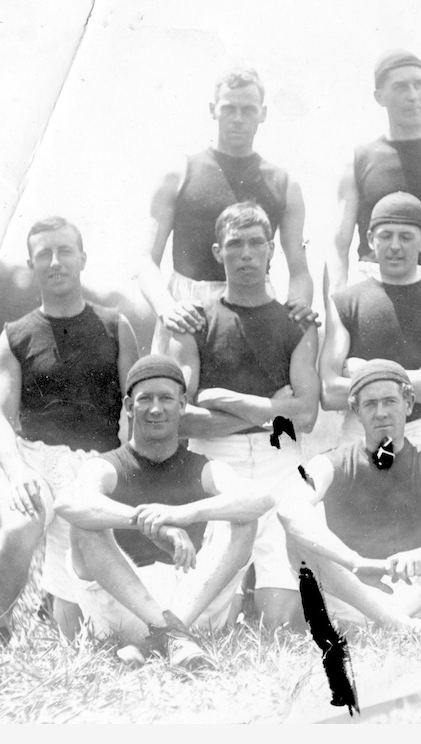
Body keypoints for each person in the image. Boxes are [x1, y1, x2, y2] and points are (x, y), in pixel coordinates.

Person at [55, 355, 272, 667]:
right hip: (126, 608)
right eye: (145, 399)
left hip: (192, 604)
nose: (156, 408)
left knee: (242, 518)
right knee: (85, 524)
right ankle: (171, 637)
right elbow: (68, 502)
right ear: (129, 406)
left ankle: (163, 638)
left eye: (166, 398)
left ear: (182, 404)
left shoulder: (203, 467)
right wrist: (148, 522)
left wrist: (185, 515)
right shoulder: (107, 466)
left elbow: (260, 497)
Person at [0, 216, 139, 644]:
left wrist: (131, 473)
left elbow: (139, 408)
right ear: (32, 264)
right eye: (43, 254)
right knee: (20, 527)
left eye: (65, 251)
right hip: (36, 460)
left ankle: (53, 604)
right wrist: (17, 472)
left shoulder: (115, 326)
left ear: (83, 258)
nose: (55, 262)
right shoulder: (14, 336)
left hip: (96, 466)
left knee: (79, 631)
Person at [167, 202, 320, 629]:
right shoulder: (196, 323)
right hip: (217, 459)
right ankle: (234, 591)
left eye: (257, 244)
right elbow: (180, 419)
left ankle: (261, 586)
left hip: (281, 457)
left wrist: (225, 399)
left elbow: (306, 414)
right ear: (218, 252)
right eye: (236, 244)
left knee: (281, 621)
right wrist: (268, 407)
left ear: (272, 250)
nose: (247, 254)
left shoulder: (297, 324)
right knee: (211, 622)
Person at [279, 359, 421, 632]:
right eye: (369, 404)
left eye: (390, 401)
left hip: (413, 592)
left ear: (408, 404)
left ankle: (392, 620)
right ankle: (406, 627)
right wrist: (355, 562)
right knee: (297, 536)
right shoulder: (334, 461)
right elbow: (289, 509)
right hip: (351, 593)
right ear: (356, 412)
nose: (381, 412)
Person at [136, 67, 315, 356]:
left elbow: (299, 270)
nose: (238, 118)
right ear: (212, 110)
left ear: (263, 113)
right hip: (188, 306)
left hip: (255, 303)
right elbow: (145, 259)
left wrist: (296, 307)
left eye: (248, 109)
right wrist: (166, 307)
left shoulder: (283, 184)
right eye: (229, 108)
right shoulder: (179, 173)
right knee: (178, 395)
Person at [328, 49, 421, 332]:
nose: (412, 95)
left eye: (418, 84)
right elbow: (338, 246)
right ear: (379, 96)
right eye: (400, 87)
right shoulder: (358, 160)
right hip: (371, 284)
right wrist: (336, 306)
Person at [321, 191, 421, 461]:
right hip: (360, 433)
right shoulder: (344, 303)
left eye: (406, 237)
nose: (395, 246)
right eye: (386, 235)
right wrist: (417, 379)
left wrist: (363, 374)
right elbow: (329, 392)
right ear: (370, 240)